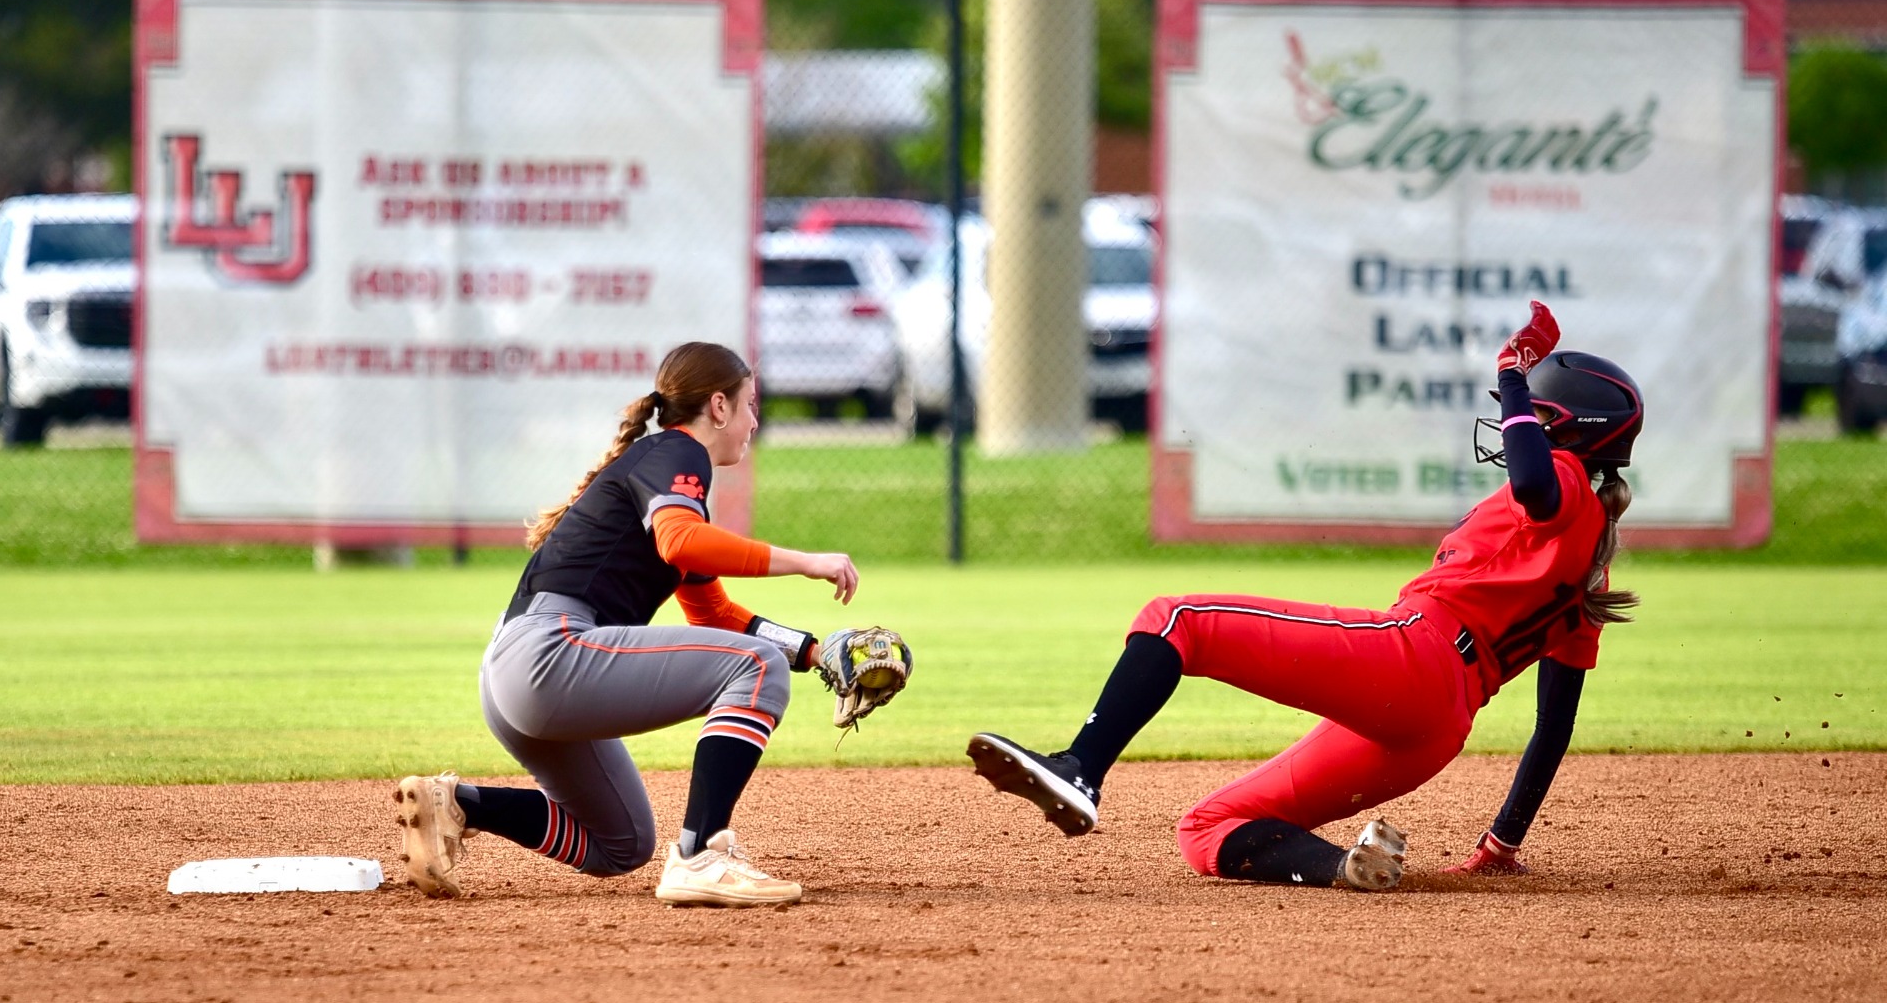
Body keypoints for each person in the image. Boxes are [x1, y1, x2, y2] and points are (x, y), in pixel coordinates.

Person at [967, 302, 1641, 892]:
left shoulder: (1564, 479)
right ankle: (1345, 868)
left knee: (1174, 620)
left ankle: (1081, 768)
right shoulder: (1592, 571)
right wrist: (1501, 843)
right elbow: (1554, 725)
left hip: (1416, 657)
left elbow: (1535, 486)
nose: (1517, 425)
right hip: (1435, 732)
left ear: (1571, 432)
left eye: (1537, 418)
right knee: (1205, 829)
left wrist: (1511, 371)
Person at [395, 340, 869, 907]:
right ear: (718, 407)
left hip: (518, 672)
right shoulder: (676, 452)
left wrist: (815, 653)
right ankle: (701, 857)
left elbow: (714, 615)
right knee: (758, 668)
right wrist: (807, 563)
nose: (753, 421)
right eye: (750, 405)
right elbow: (681, 539)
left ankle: (460, 804)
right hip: (553, 652)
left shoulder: (664, 474)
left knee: (619, 843)